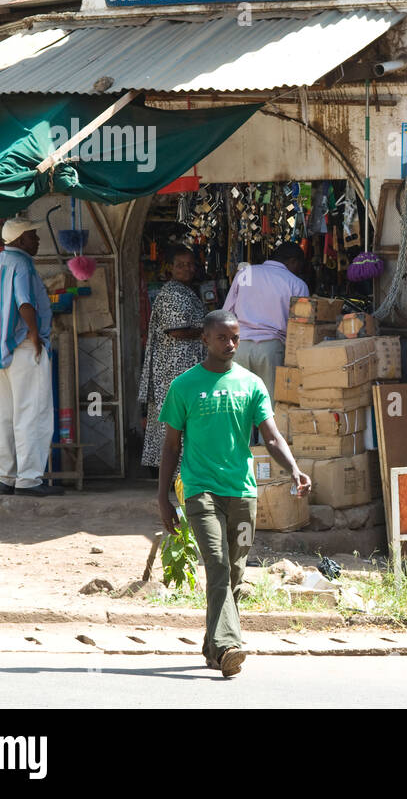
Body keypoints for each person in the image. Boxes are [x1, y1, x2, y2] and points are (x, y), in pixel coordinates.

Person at [157, 309, 311, 678]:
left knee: (236, 575)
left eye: (236, 338)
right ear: (205, 340)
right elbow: (170, 447)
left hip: (242, 493)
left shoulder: (251, 384)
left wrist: (293, 468)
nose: (230, 344)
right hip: (200, 491)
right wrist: (163, 496)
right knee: (218, 565)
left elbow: (271, 437)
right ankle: (229, 646)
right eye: (223, 337)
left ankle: (213, 647)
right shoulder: (183, 386)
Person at [0, 216, 59, 497]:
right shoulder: (22, 264)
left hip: (0, 351)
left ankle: (6, 478)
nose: (37, 240)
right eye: (33, 235)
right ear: (20, 239)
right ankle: (29, 480)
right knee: (32, 414)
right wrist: (34, 335)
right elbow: (24, 303)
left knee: (7, 416)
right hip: (23, 348)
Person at [138, 245, 206, 471]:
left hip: (184, 368)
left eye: (190, 264)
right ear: (170, 268)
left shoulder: (184, 291)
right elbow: (176, 330)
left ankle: (182, 473)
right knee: (177, 421)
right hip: (174, 369)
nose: (186, 269)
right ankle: (176, 474)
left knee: (182, 421)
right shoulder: (172, 294)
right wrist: (207, 332)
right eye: (180, 265)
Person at [220, 241, 308, 397]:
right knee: (268, 407)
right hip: (271, 348)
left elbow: (227, 312)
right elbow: (300, 326)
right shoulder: (297, 283)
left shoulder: (246, 272)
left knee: (239, 404)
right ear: (293, 261)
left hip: (241, 346)